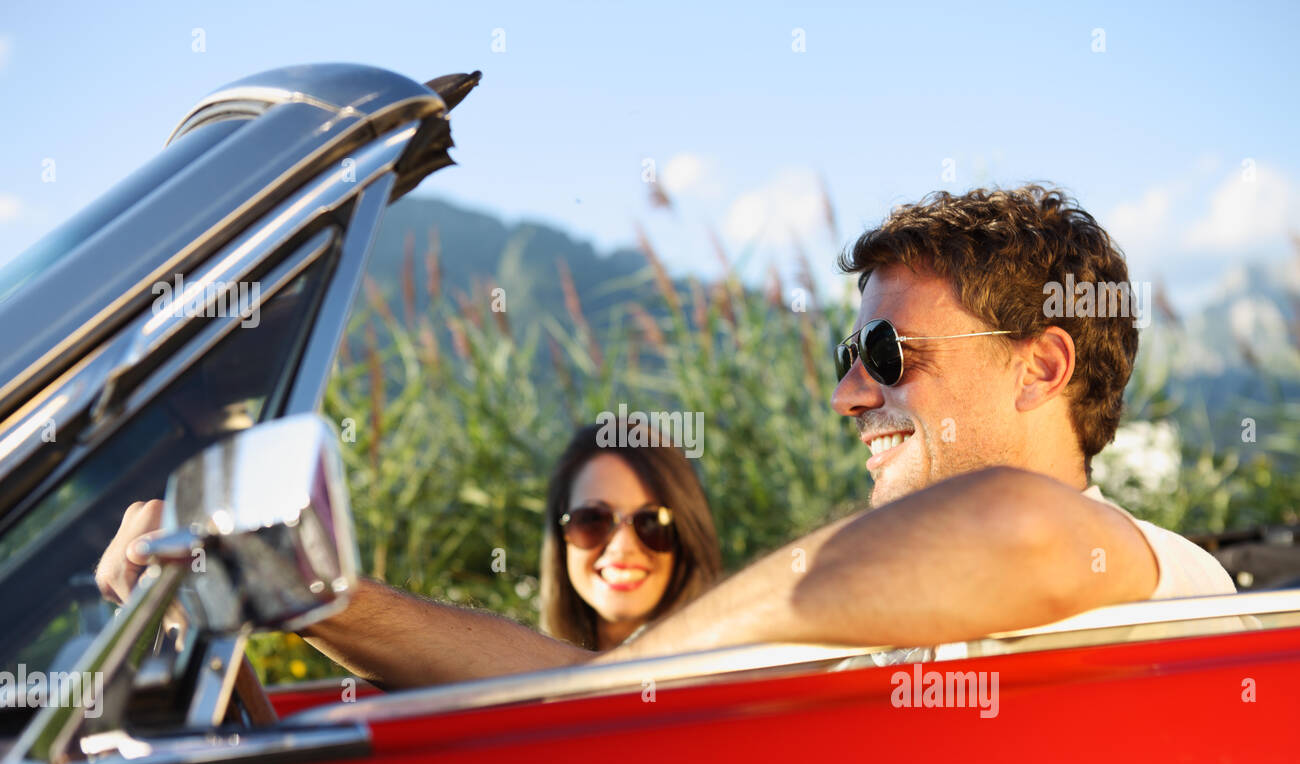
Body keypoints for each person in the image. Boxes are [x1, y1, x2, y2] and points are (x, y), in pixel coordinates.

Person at [96, 185, 1235, 688]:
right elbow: (581, 686)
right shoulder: (930, 607)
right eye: (847, 358)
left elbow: (1015, 522)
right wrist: (319, 598)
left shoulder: (1149, 570)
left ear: (1043, 362)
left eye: (888, 356)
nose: (848, 393)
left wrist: (650, 665)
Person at [539, 422, 722, 651]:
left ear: (685, 537)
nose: (622, 546)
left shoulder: (729, 670)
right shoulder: (522, 675)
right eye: (592, 519)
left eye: (652, 522)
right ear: (560, 534)